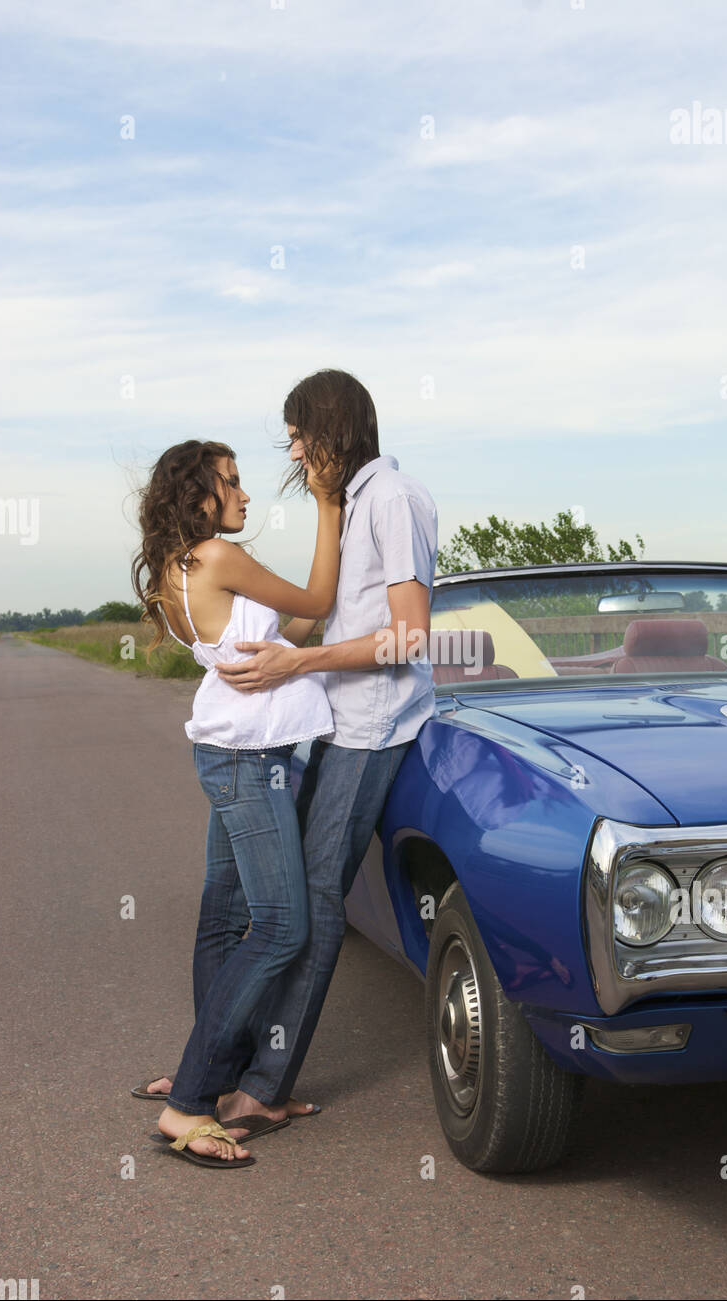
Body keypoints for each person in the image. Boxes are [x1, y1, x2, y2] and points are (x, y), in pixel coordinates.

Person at [213, 368, 438, 1132]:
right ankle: (228, 1064)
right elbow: (329, 617)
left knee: (311, 902)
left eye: (302, 437)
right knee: (279, 903)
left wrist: (296, 664)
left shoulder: (396, 501)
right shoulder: (356, 502)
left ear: (334, 430)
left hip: (371, 726)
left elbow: (409, 636)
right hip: (334, 722)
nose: (297, 452)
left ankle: (267, 1086)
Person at [130, 438, 340, 1167]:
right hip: (248, 763)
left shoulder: (179, 567)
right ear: (199, 497)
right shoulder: (217, 558)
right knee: (282, 926)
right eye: (233, 484)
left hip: (233, 753)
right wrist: (325, 501)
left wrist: (302, 652)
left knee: (222, 921)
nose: (246, 497)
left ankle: (216, 1080)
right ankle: (189, 1104)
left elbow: (290, 635)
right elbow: (316, 601)